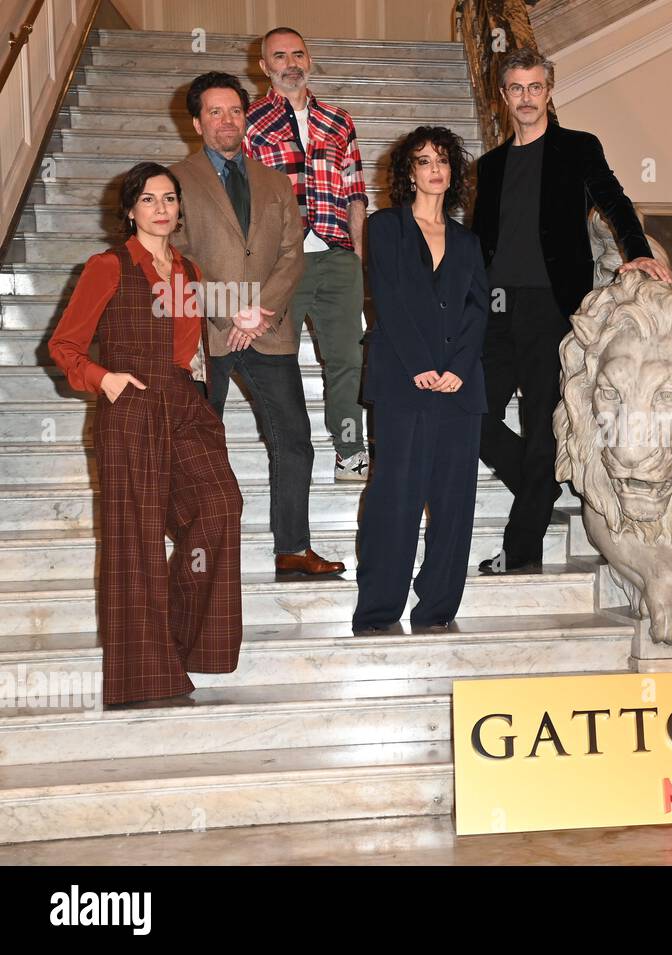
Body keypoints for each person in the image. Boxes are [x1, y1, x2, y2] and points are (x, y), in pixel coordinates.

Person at [48, 162, 244, 704]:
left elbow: (184, 344)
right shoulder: (106, 266)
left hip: (183, 402)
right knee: (134, 542)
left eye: (170, 199)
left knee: (221, 506)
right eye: (150, 199)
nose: (162, 208)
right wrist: (103, 378)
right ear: (130, 210)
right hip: (130, 406)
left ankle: (178, 636)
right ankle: (145, 673)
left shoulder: (188, 270)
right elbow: (64, 346)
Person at [472, 46, 672, 575]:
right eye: (516, 88)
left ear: (549, 91)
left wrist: (638, 252)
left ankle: (520, 548)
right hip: (493, 309)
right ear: (503, 96)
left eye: (535, 87)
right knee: (469, 413)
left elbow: (614, 197)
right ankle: (543, 481)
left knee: (542, 426)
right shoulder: (488, 167)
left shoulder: (578, 148)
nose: (526, 98)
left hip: (551, 307)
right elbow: (477, 242)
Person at [171, 71, 344, 579]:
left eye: (235, 111)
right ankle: (198, 554)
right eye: (216, 112)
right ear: (198, 121)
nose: (227, 121)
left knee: (294, 440)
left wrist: (260, 308)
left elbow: (293, 253)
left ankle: (293, 547)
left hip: (269, 328)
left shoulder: (274, 181)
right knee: (198, 444)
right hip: (206, 332)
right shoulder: (174, 182)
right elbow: (173, 258)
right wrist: (229, 310)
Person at [352, 127, 487, 633]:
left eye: (444, 161)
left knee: (454, 503)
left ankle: (436, 609)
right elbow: (388, 300)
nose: (435, 169)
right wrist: (419, 366)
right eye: (424, 161)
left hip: (460, 389)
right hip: (401, 383)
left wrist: (456, 368)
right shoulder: (385, 227)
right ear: (408, 171)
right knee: (395, 496)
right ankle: (379, 609)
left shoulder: (469, 241)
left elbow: (477, 311)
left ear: (452, 172)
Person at [245, 26, 370, 483]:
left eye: (298, 53)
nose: (290, 63)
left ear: (309, 58)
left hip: (337, 257)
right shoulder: (251, 121)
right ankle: (289, 452)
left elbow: (356, 192)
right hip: (282, 262)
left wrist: (358, 257)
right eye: (279, 56)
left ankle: (351, 452)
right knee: (276, 360)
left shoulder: (339, 121)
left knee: (348, 360)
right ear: (264, 66)